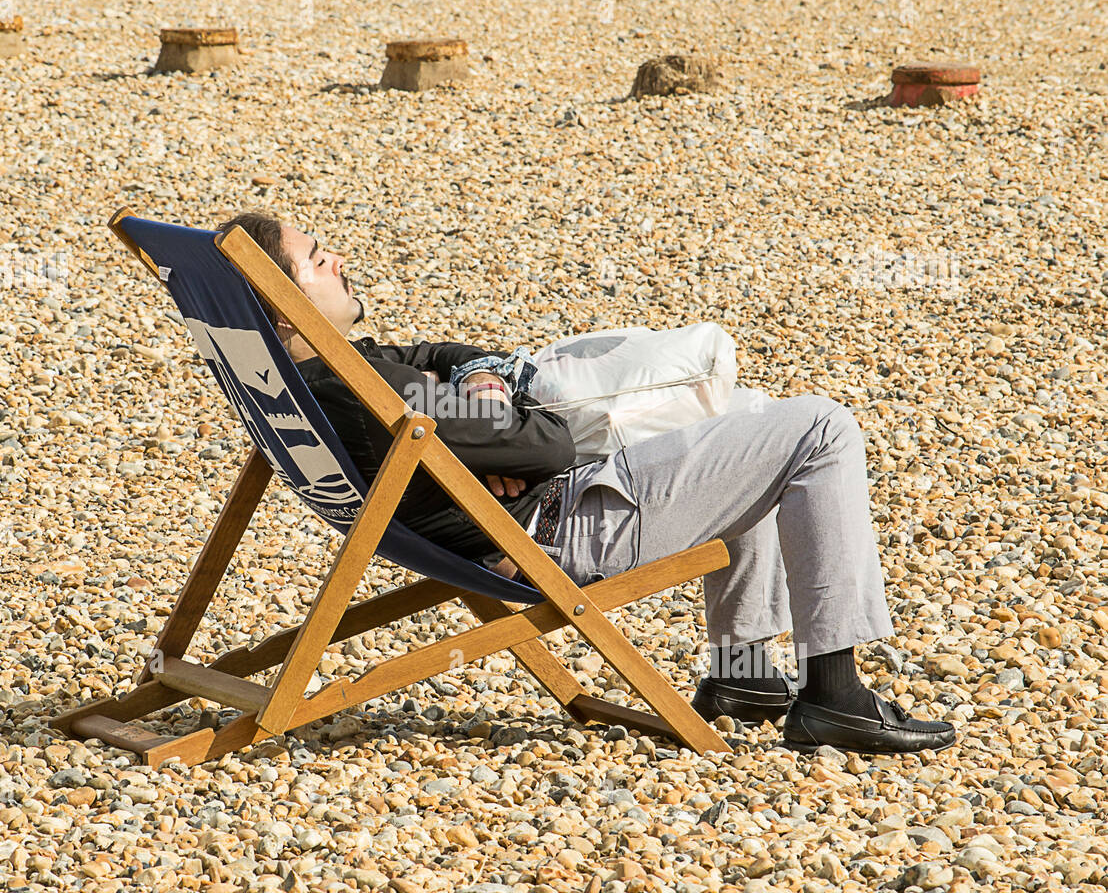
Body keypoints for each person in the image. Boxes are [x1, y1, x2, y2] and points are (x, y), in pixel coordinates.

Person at [220, 210, 956, 756]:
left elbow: (453, 353)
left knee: (752, 419)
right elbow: (549, 441)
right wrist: (499, 420)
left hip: (535, 512)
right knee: (820, 428)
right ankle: (834, 696)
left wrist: (479, 384)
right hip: (565, 526)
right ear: (284, 302)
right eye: (318, 259)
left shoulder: (310, 374)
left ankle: (741, 673)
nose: (340, 258)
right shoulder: (369, 390)